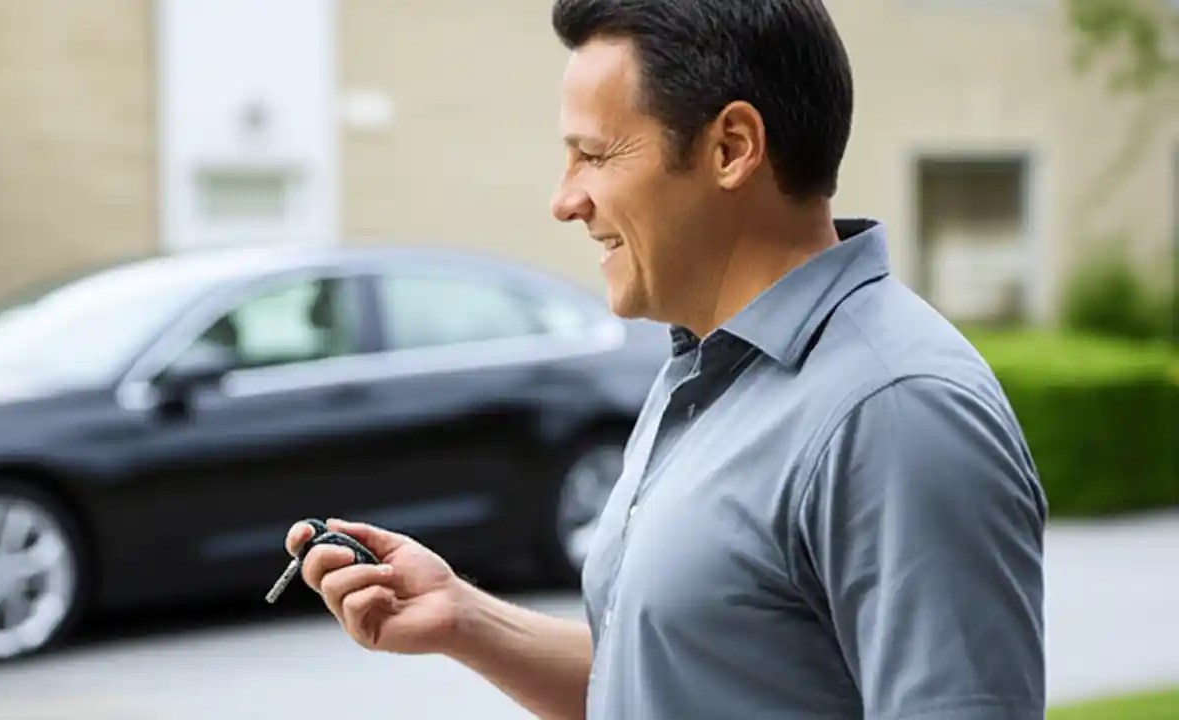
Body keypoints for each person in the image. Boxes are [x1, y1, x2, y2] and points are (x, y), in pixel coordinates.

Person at [285, 1, 1049, 717]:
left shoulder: (897, 410)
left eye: (593, 155)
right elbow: (669, 678)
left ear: (731, 148)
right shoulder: (704, 369)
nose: (565, 199)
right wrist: (465, 619)